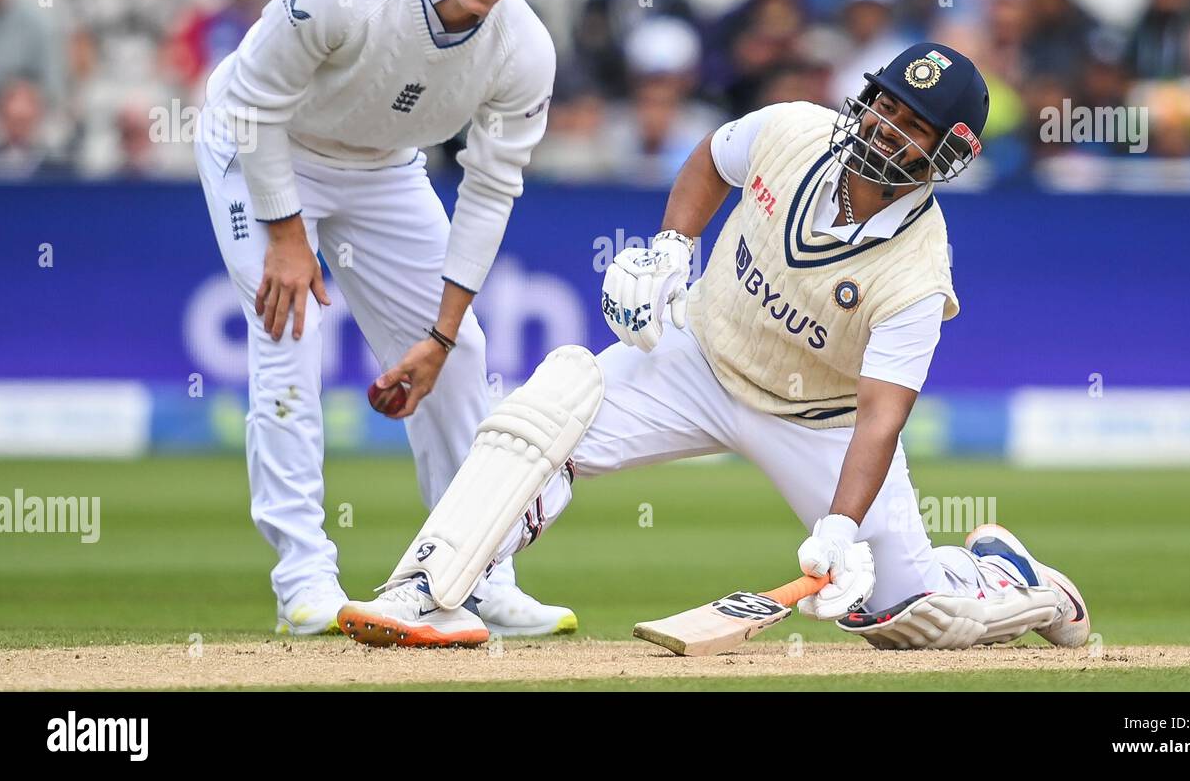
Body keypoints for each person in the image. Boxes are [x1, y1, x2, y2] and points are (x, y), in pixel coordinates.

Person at [337, 43, 1091, 652]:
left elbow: (879, 416)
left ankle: (1008, 579)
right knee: (550, 412)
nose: (887, 126)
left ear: (947, 152)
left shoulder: (919, 273)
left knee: (907, 618)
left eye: (913, 122)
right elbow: (710, 159)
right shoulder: (794, 130)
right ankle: (428, 588)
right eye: (886, 103)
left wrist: (836, 528)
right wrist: (671, 247)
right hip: (698, 356)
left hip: (819, 421)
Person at [193, 0, 574, 638]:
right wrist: (287, 235)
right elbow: (253, 104)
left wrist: (434, 337)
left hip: (387, 165)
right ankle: (303, 579)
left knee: (463, 352)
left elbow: (491, 189)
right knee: (287, 329)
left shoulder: (524, 48)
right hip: (263, 145)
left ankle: (472, 574)